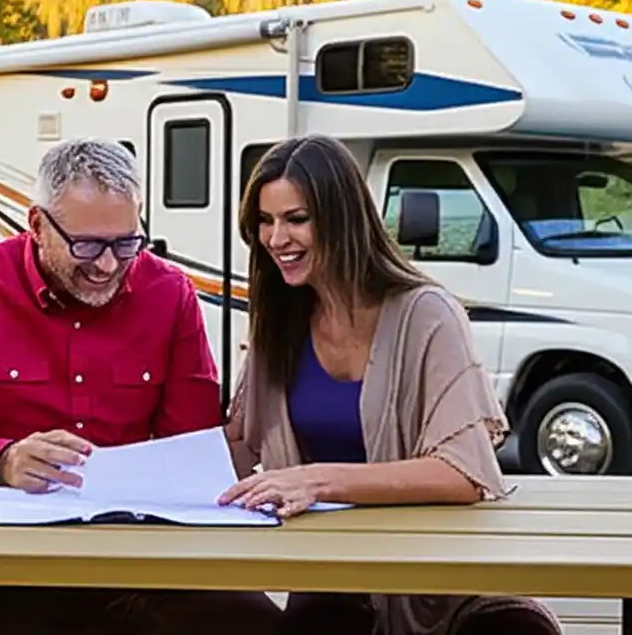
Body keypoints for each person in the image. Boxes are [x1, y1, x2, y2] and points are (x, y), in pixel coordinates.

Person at [0, 137, 283, 635]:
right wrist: (1, 458)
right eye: (86, 245)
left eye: (126, 243)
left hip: (126, 559)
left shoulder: (169, 294)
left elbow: (189, 445)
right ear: (37, 225)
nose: (107, 265)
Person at [219, 134, 563, 635]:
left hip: (443, 581)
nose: (276, 240)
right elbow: (238, 447)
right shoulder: (278, 321)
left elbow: (464, 475)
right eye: (265, 222)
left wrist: (318, 479)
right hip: (332, 579)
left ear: (342, 220)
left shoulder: (427, 314)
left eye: (296, 219)